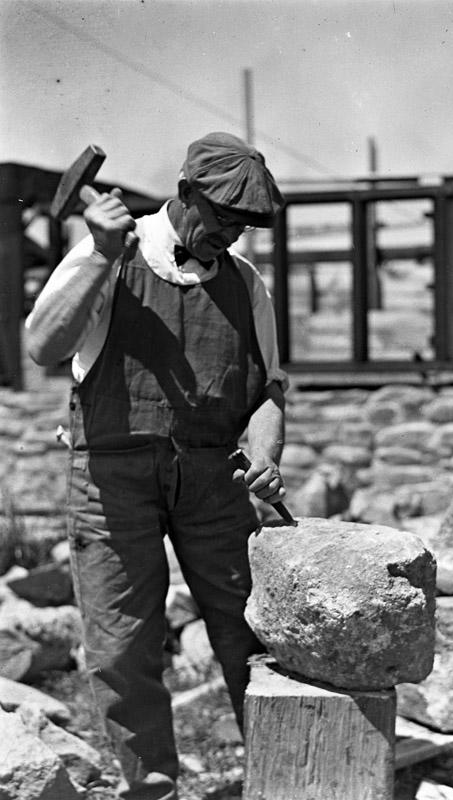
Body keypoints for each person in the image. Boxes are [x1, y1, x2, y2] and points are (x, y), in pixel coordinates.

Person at [25, 132, 288, 800]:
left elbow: (267, 393)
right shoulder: (107, 252)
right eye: (223, 218)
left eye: (244, 225)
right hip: (113, 482)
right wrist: (103, 255)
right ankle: (154, 787)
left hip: (211, 482)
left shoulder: (245, 282)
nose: (230, 235)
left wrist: (264, 449)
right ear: (186, 190)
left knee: (251, 632)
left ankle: (282, 774)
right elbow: (41, 344)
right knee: (122, 649)